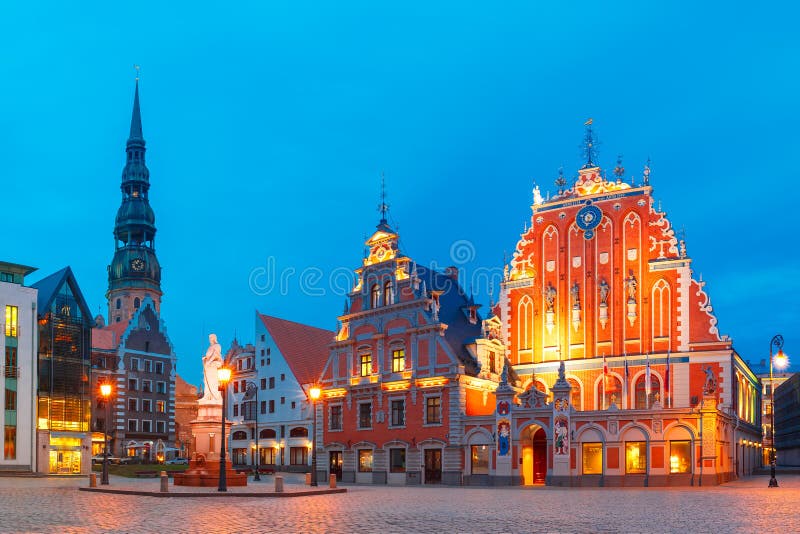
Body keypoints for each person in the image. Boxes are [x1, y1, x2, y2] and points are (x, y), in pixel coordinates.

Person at [201, 333, 224, 402]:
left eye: (211, 338)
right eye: (209, 338)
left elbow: (215, 354)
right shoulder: (210, 347)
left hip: (213, 366)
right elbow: (209, 356)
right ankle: (207, 395)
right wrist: (205, 358)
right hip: (208, 367)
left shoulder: (217, 346)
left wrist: (209, 361)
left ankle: (215, 396)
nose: (210, 340)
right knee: (206, 381)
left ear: (214, 338)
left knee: (212, 381)